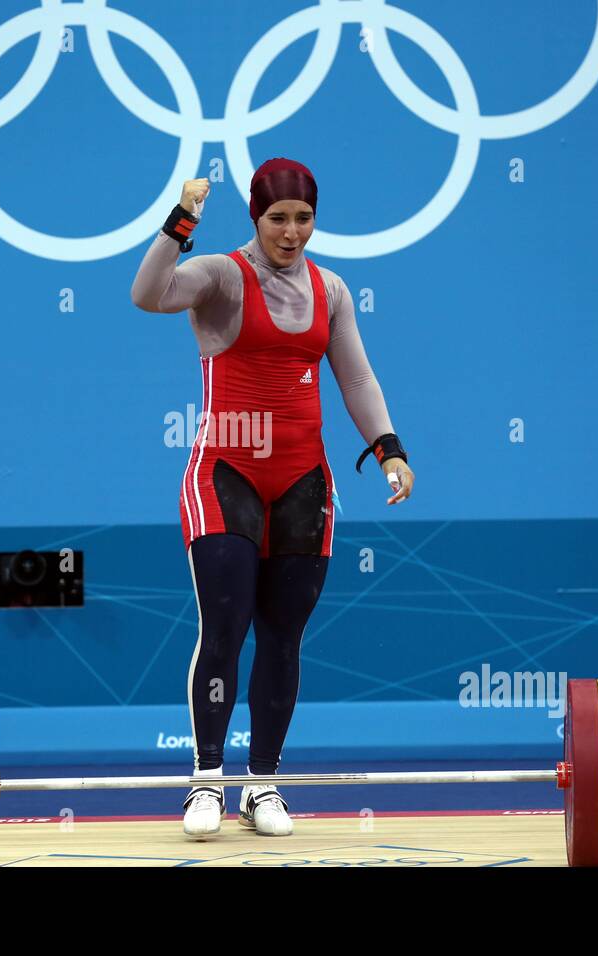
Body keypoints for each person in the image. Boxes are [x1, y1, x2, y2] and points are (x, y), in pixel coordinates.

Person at [130, 158, 414, 838]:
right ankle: (206, 781)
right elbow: (149, 293)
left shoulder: (332, 289)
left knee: (282, 639)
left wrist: (390, 448)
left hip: (302, 481)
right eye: (277, 219)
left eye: (304, 219)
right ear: (255, 217)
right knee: (224, 630)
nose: (291, 232)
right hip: (224, 474)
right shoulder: (223, 277)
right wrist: (181, 219)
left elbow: (356, 379)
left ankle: (263, 784)